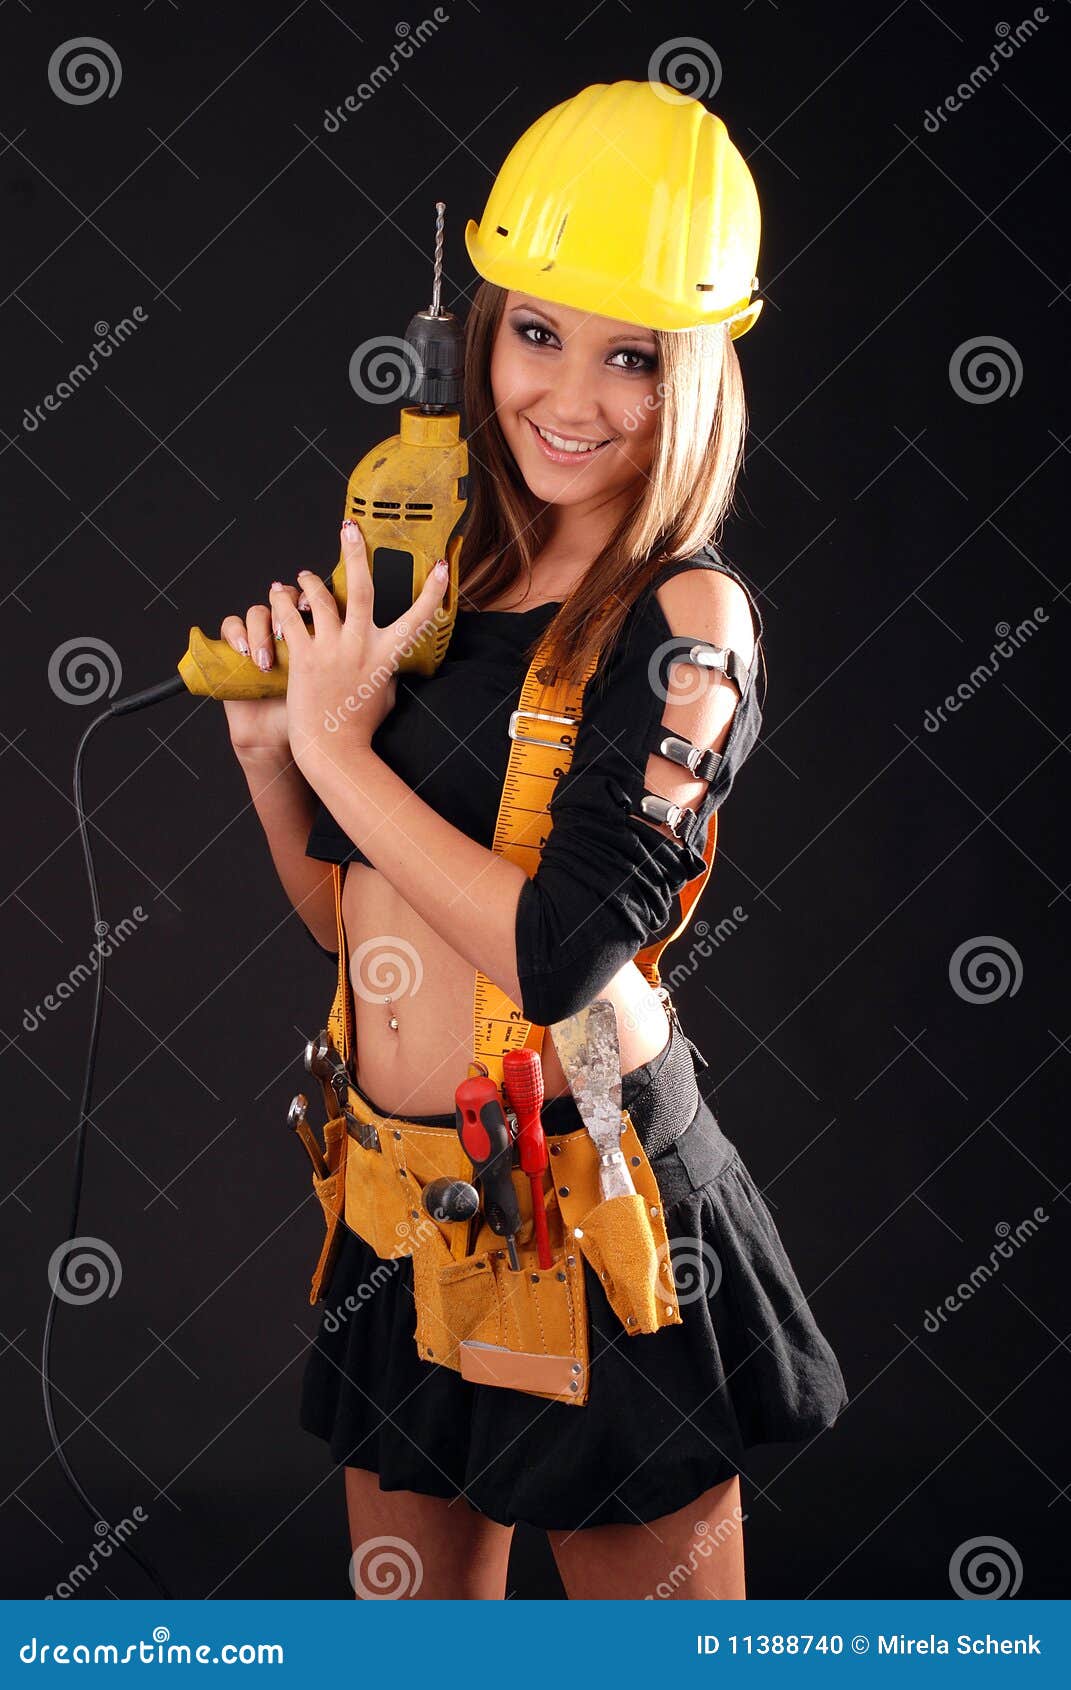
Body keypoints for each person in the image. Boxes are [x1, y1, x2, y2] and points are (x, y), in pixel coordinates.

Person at [219, 81, 848, 1600]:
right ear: (480, 329)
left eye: (633, 354)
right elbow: (354, 926)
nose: (569, 395)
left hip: (587, 1212)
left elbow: (558, 952)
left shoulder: (688, 620)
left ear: (695, 375)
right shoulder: (449, 565)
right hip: (395, 1205)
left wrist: (332, 749)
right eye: (537, 332)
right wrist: (271, 758)